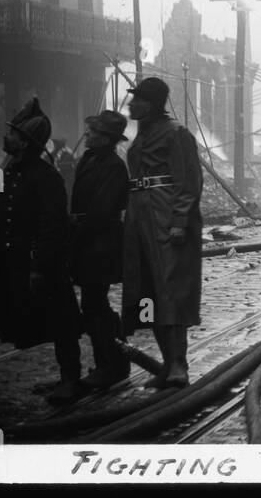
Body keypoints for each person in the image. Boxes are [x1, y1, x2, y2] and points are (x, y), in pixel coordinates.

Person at [0, 97, 83, 405]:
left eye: (13, 133)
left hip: (38, 265)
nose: (8, 137)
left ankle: (70, 379)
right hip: (7, 262)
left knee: (61, 321)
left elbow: (53, 227)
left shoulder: (47, 176)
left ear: (25, 141)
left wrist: (39, 266)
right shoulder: (6, 172)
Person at [121, 76, 203, 390]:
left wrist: (180, 221)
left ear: (151, 104)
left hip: (165, 215)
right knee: (148, 290)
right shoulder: (141, 136)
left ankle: (179, 364)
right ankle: (166, 364)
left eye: (137, 99)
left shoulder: (176, 134)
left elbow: (189, 181)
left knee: (172, 288)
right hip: (140, 216)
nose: (131, 104)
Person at [70, 110, 131, 390]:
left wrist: (77, 234)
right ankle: (110, 362)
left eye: (94, 132)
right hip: (88, 241)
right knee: (93, 304)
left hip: (101, 243)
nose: (88, 135)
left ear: (106, 139)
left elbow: (101, 210)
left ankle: (112, 364)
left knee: (95, 303)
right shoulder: (88, 160)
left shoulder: (114, 166)